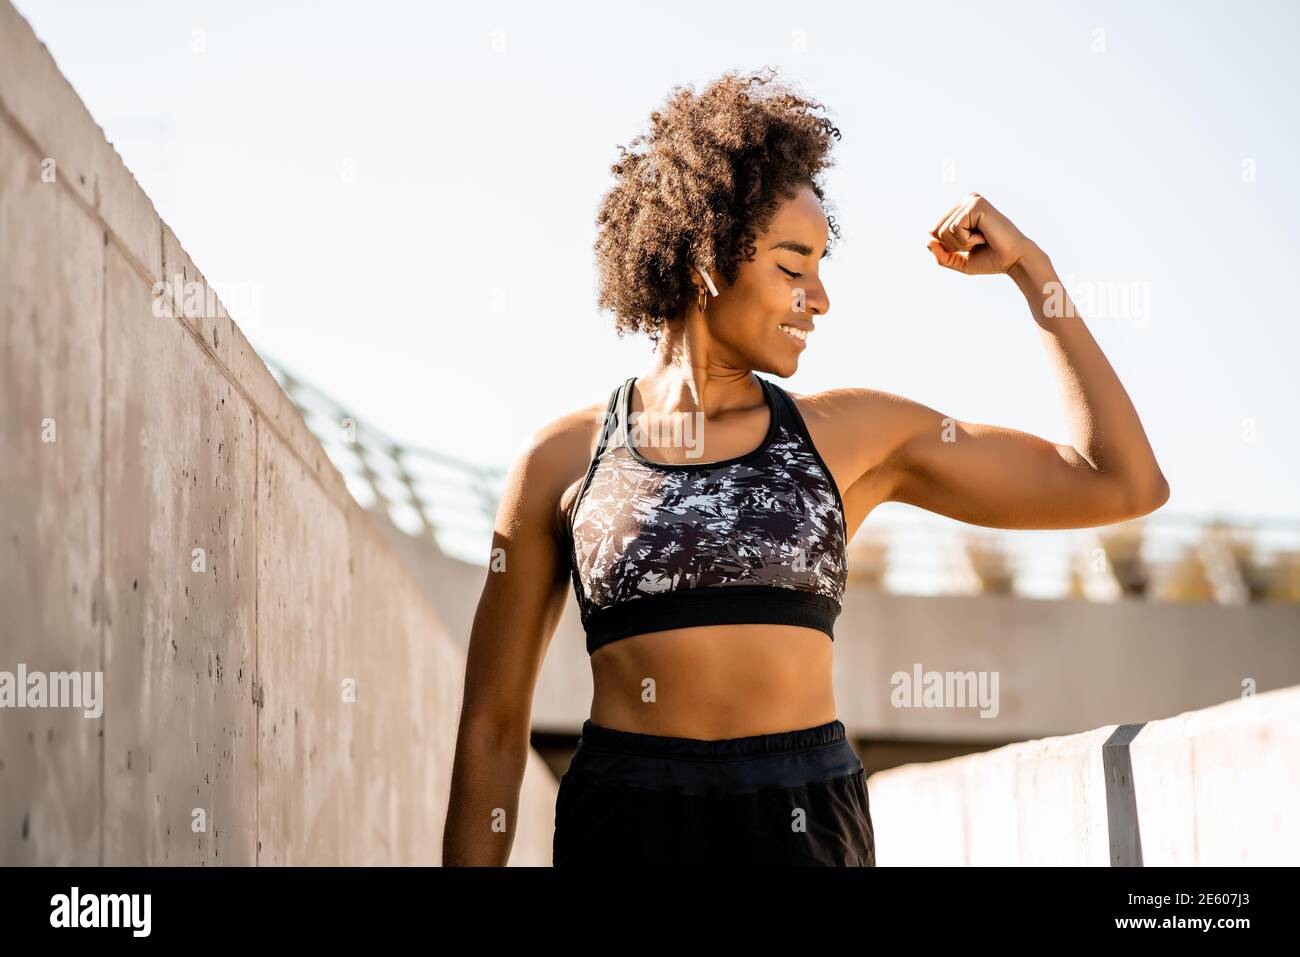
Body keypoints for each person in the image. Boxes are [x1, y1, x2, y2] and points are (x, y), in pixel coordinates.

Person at [441, 67, 1169, 867]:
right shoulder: (561, 461)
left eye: (822, 266)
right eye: (793, 267)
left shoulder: (850, 434)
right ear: (707, 258)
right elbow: (494, 726)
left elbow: (1118, 480)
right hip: (625, 824)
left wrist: (1036, 274)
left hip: (803, 825)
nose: (818, 298)